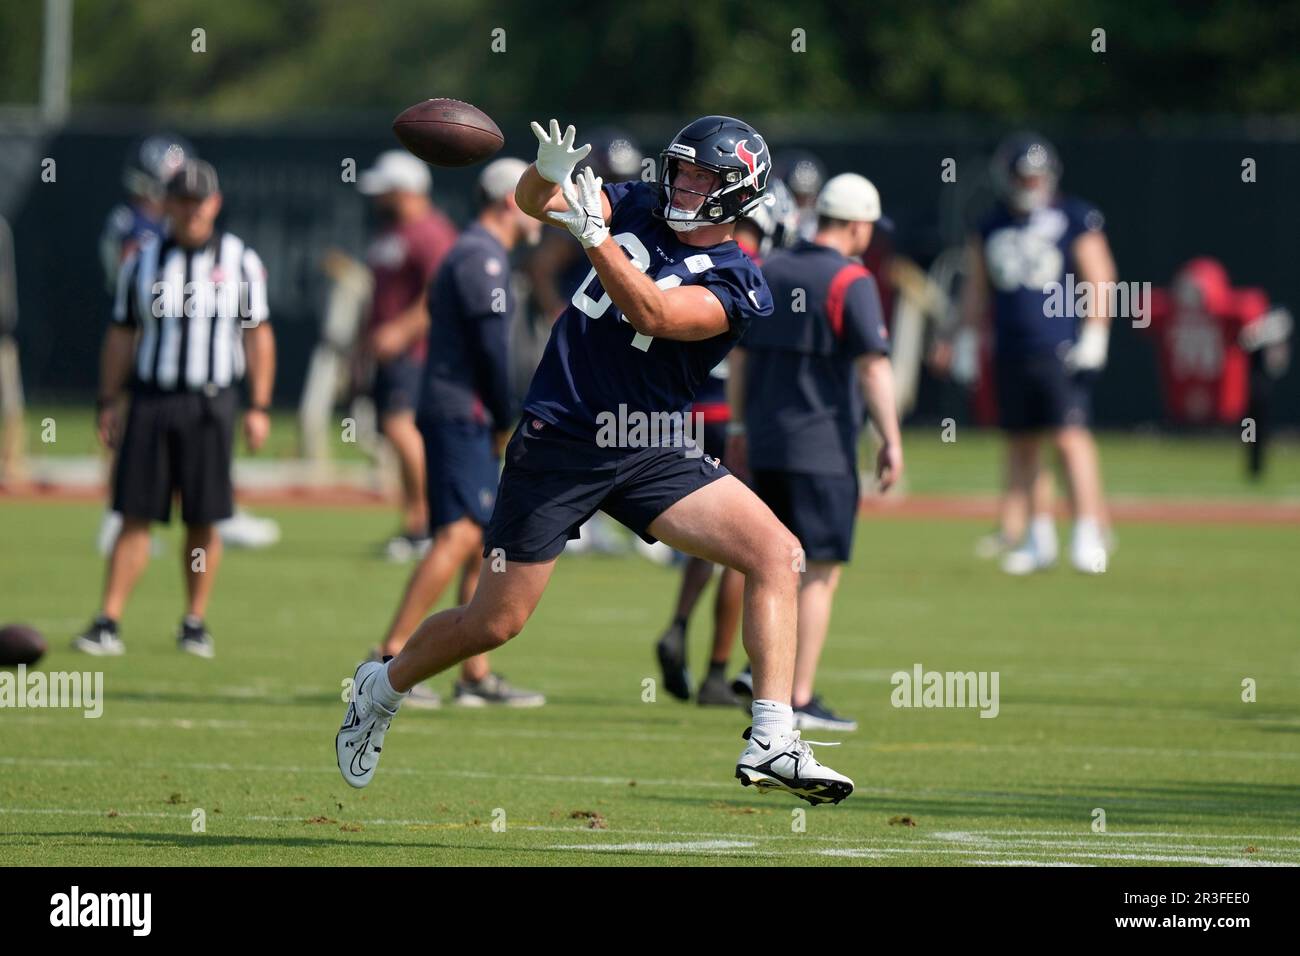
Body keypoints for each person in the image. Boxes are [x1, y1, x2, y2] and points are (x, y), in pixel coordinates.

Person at [337, 116, 854, 806]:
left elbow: (656, 315)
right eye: (684, 169)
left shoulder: (742, 281)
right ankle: (383, 684)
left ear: (739, 193)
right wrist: (546, 174)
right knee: (496, 622)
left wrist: (593, 237)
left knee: (776, 553)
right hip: (562, 439)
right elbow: (533, 204)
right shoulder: (639, 202)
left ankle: (773, 737)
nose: (686, 184)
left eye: (705, 177)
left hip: (649, 443)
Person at [75, 160, 276, 657]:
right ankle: (108, 620)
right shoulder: (141, 261)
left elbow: (258, 335)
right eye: (181, 200)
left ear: (215, 203)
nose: (190, 210)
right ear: (166, 204)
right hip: (152, 398)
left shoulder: (240, 260)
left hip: (211, 400)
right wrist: (108, 400)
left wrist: (259, 405)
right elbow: (122, 333)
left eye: (198, 200)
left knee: (204, 518)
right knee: (134, 513)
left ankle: (194, 621)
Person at [728, 173, 903, 732]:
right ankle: (796, 695)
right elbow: (873, 365)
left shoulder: (772, 268)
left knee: (772, 565)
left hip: (764, 441)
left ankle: (760, 679)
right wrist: (890, 438)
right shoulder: (852, 280)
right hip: (822, 448)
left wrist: (736, 425)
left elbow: (741, 357)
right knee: (819, 574)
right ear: (856, 225)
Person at [367, 158, 545, 709]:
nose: (546, 209)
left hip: (458, 409)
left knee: (479, 542)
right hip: (459, 411)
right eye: (535, 197)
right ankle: (390, 659)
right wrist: (502, 415)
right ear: (506, 202)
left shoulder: (477, 252)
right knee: (459, 536)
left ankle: (474, 674)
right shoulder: (480, 258)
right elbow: (491, 353)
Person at [653, 177, 798, 707]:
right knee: (753, 550)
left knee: (716, 542)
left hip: (675, 409)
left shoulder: (683, 247)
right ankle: (717, 668)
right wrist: (742, 423)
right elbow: (742, 356)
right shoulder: (743, 266)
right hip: (724, 412)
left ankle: (680, 621)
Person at [954, 133, 1115, 575]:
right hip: (1010, 348)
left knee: (1069, 439)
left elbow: (1099, 276)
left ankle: (1088, 532)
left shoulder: (1074, 216)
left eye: (1036, 177)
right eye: (1023, 177)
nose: (1030, 185)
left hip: (1059, 347)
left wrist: (1096, 331)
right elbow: (977, 287)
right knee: (1023, 444)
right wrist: (968, 339)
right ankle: (1037, 536)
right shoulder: (989, 224)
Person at [356, 150, 459, 561]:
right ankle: (414, 521)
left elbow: (438, 293)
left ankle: (427, 522)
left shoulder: (432, 232)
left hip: (417, 353)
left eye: (386, 191)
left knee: (402, 429)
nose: (378, 199)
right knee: (392, 430)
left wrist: (400, 332)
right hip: (389, 353)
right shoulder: (391, 231)